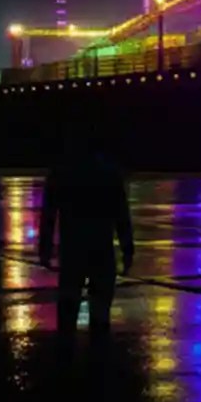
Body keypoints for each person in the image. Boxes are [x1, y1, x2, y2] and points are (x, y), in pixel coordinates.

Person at [38, 133, 134, 337]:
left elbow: (48, 214)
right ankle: (98, 356)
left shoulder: (62, 171)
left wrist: (45, 248)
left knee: (68, 307)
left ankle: (66, 356)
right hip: (101, 248)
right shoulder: (109, 172)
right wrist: (127, 249)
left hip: (73, 247)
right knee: (100, 313)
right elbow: (121, 214)